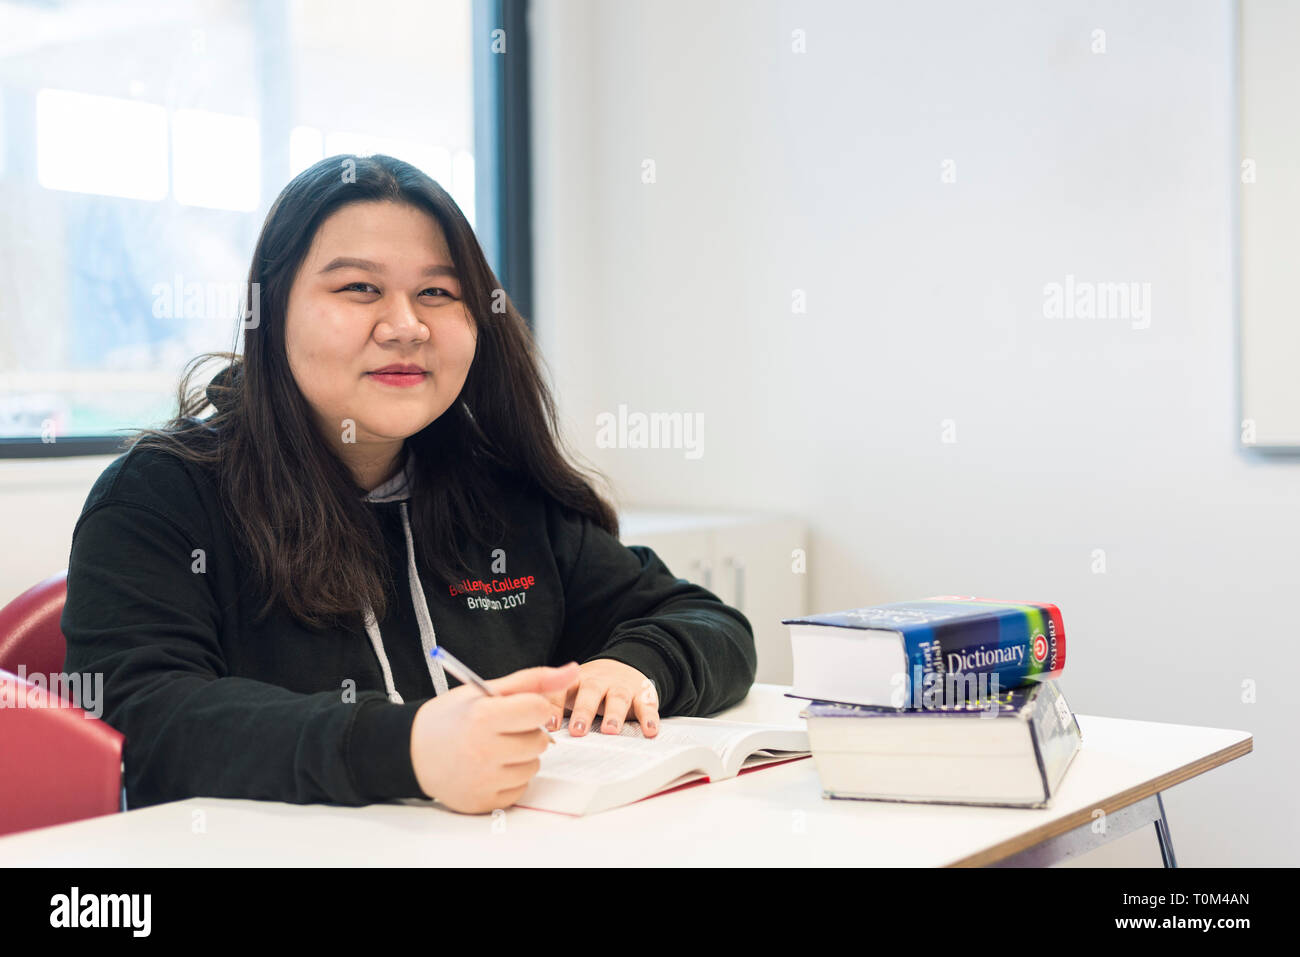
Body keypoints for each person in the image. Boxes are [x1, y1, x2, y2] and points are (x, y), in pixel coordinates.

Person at [61, 154, 757, 815]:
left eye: (437, 292)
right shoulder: (159, 497)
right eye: (358, 287)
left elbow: (709, 623)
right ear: (268, 314)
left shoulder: (499, 493)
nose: (406, 325)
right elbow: (144, 719)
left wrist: (635, 666)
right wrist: (410, 749)